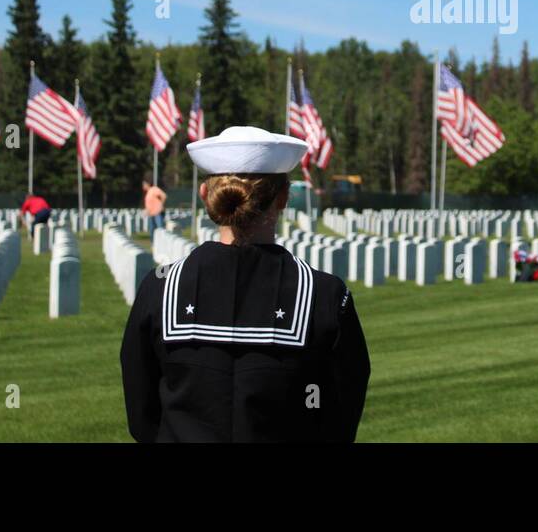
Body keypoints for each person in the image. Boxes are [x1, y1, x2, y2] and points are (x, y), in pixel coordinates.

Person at [121, 126, 370, 442]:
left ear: (205, 195)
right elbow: (339, 406)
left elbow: (142, 408)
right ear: (283, 198)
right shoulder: (325, 295)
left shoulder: (160, 289)